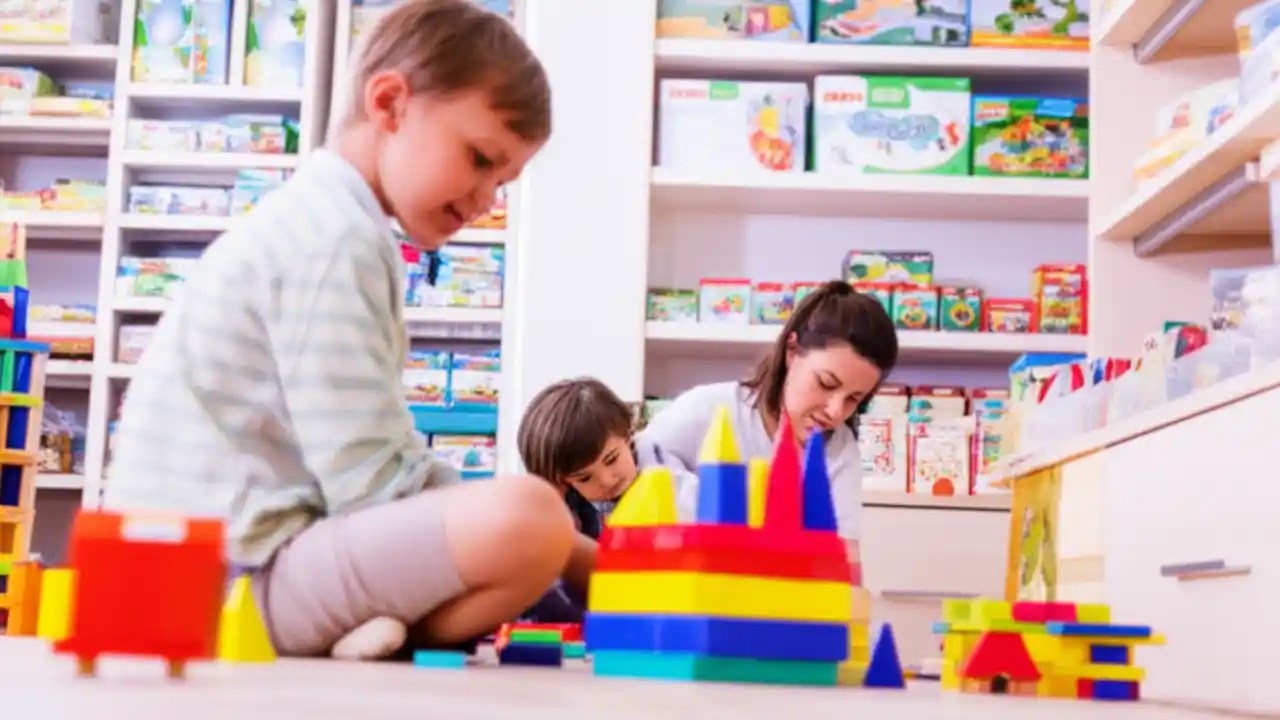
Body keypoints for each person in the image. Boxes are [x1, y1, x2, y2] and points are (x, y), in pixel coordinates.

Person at [101, 0, 584, 662]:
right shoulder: (335, 240)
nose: (485, 199)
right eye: (478, 159)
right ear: (389, 104)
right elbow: (373, 482)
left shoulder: (325, 221)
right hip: (226, 586)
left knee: (534, 526)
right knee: (531, 521)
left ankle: (372, 628)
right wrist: (580, 555)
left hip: (220, 570)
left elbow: (367, 471)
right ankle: (371, 631)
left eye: (503, 182)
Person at [638, 280, 899, 565]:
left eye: (854, 400)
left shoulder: (839, 453)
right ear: (791, 350)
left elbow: (843, 561)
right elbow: (632, 471)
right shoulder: (709, 410)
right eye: (826, 383)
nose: (835, 412)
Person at [514, 377, 686, 623]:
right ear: (562, 481)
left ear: (627, 435)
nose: (606, 480)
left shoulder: (665, 481)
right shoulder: (567, 503)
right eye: (584, 478)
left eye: (612, 459)